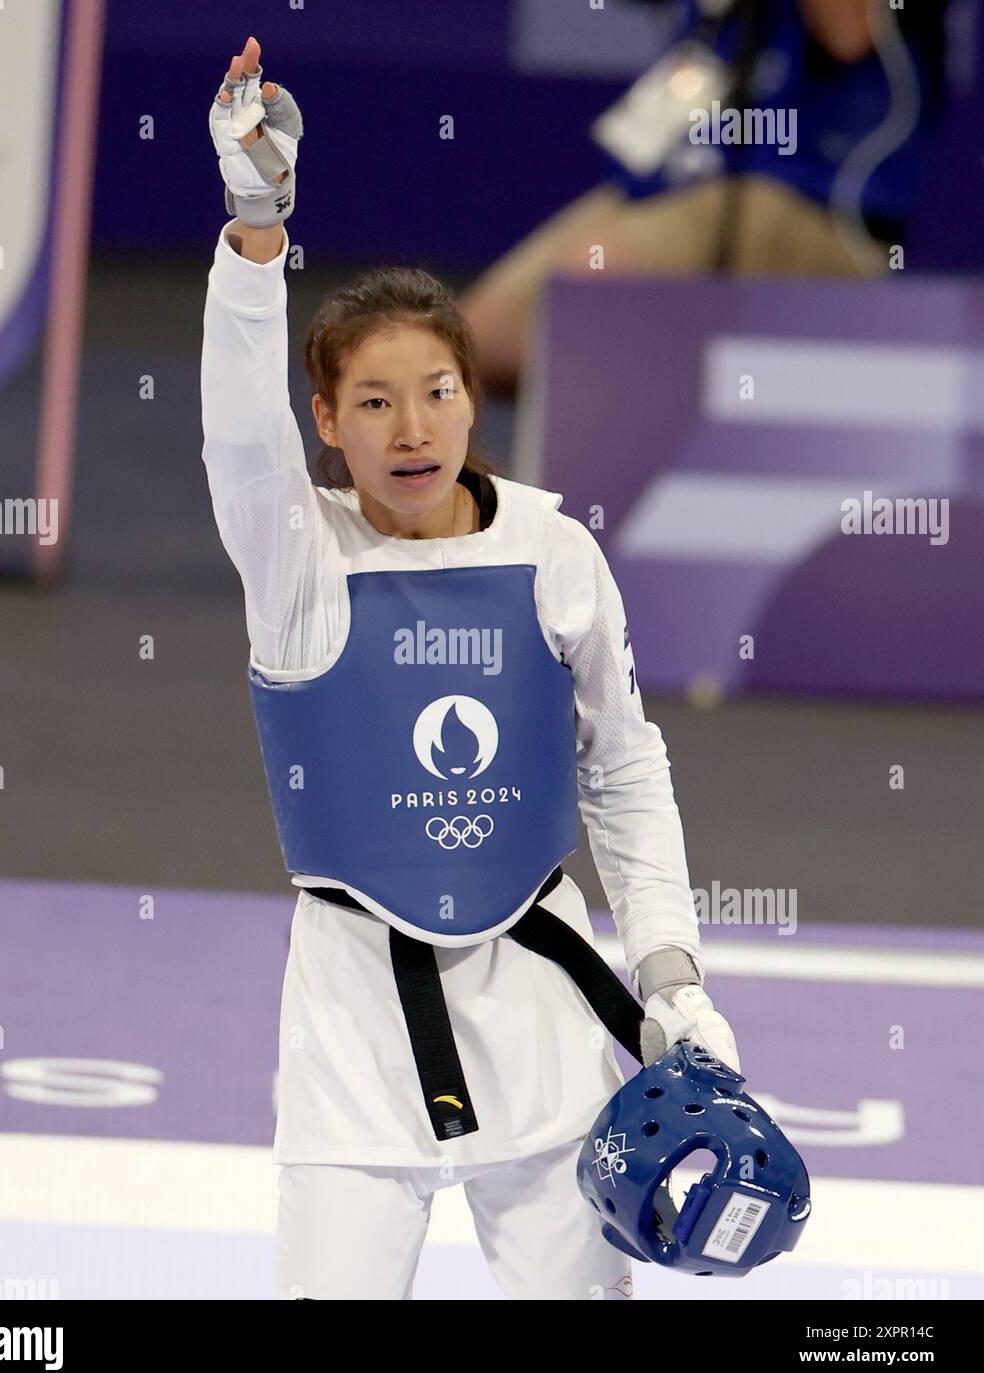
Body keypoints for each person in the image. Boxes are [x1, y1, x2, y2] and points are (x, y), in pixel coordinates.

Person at [203, 36, 739, 1301]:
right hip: (351, 1039)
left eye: (435, 391)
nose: (412, 427)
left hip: (548, 1018)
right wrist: (256, 225)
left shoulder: (552, 547)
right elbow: (236, 435)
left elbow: (623, 762)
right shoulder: (298, 562)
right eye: (373, 402)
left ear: (470, 397)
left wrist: (670, 972)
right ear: (324, 424)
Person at [460, 0, 951, 394]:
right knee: (468, 344)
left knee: (592, 283)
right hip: (680, 180)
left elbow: (849, 33)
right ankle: (673, 402)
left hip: (813, 204)